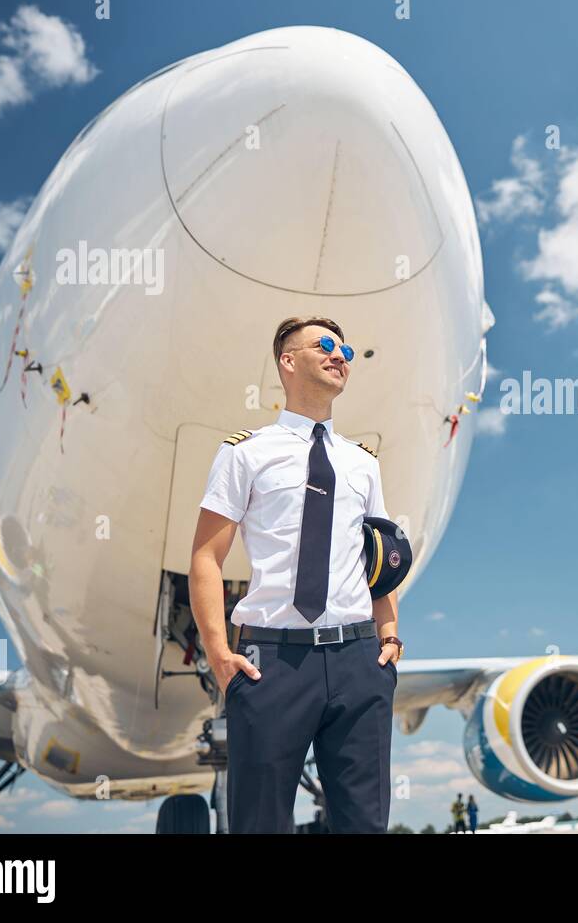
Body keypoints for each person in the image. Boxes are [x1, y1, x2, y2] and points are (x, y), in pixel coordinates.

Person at [190, 315, 404, 833]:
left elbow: (380, 559)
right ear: (288, 361)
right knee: (259, 822)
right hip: (273, 661)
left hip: (358, 660)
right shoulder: (244, 453)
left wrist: (390, 637)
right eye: (326, 345)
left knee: (365, 824)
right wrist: (219, 655)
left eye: (346, 351)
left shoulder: (362, 464)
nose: (340, 356)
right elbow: (205, 558)